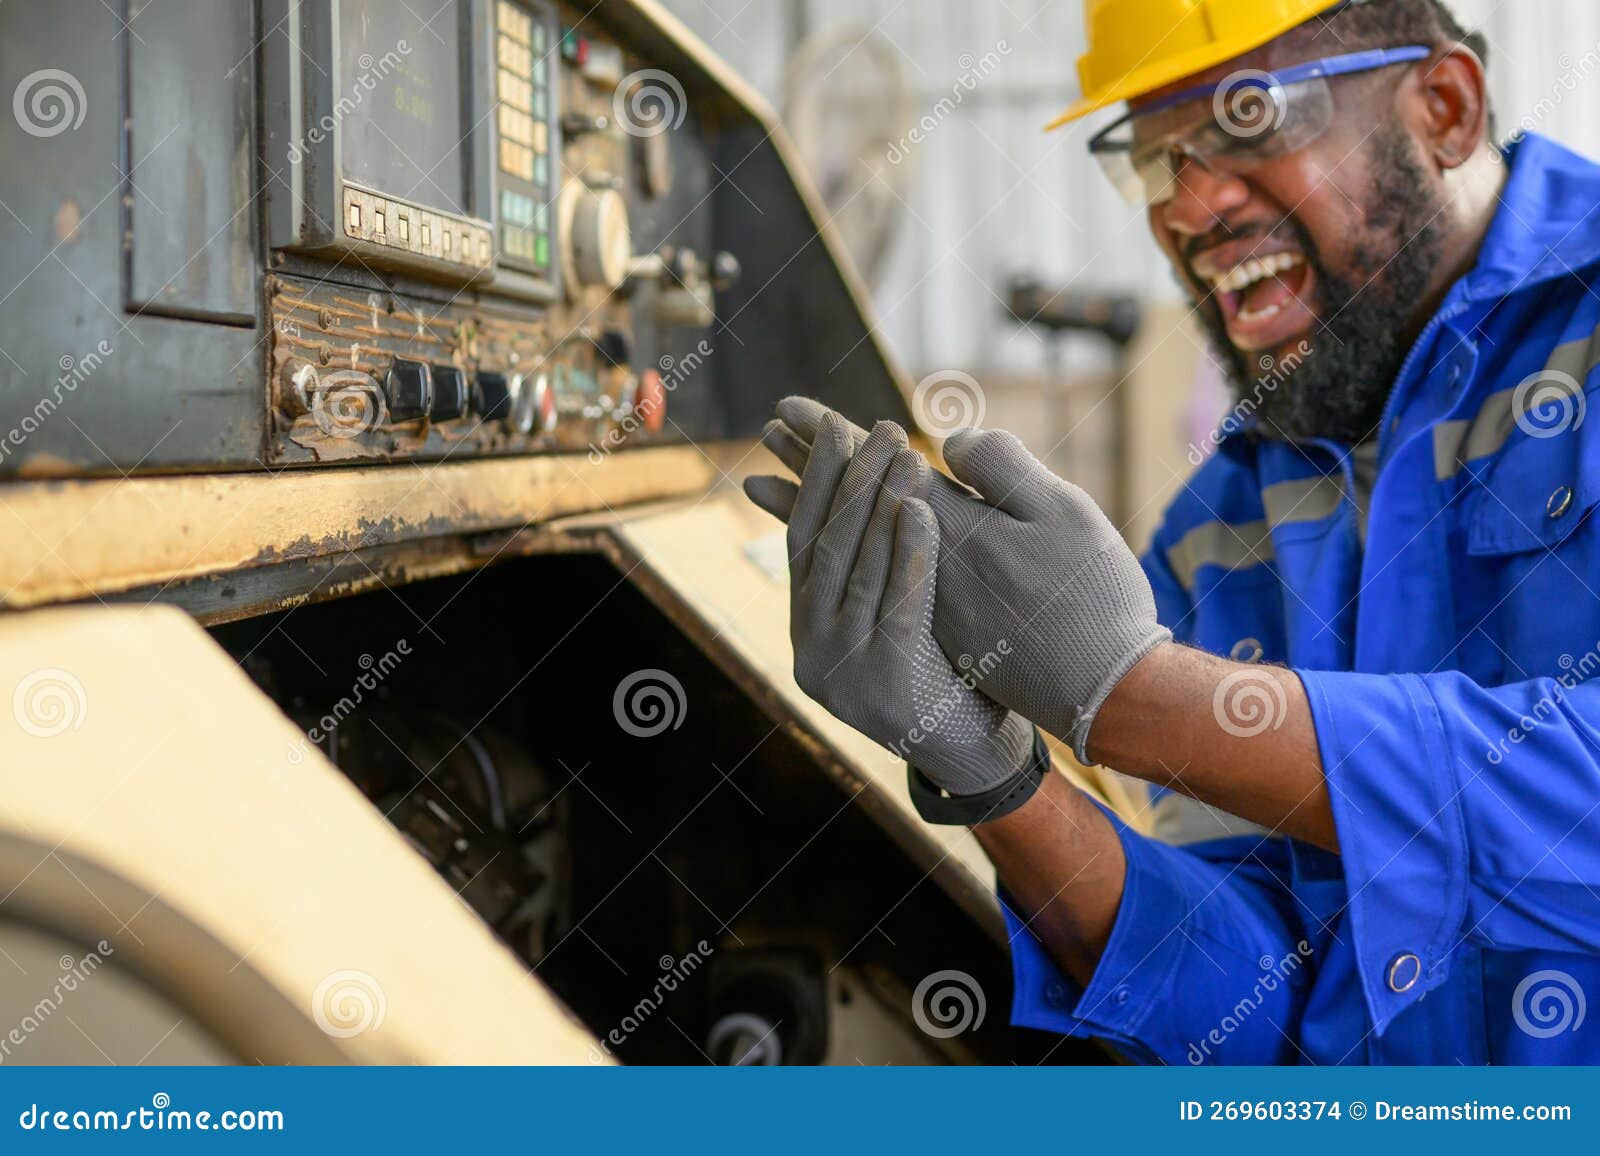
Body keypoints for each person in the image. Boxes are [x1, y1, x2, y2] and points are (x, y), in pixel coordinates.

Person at [744, 0, 1600, 1064]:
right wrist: (999, 782)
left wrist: (1141, 699)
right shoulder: (1220, 523)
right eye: (1156, 158)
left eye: (1250, 117)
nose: (1189, 207)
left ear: (1445, 107)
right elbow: (1261, 1016)